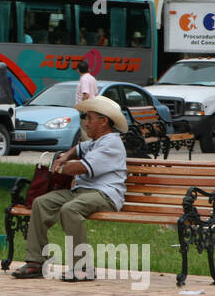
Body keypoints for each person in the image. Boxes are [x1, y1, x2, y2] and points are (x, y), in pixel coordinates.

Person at [12, 95, 129, 282]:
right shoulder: (96, 141)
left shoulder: (111, 143)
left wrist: (58, 168)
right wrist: (66, 156)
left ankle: (82, 268)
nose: (86, 123)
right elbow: (78, 149)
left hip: (105, 195)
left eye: (89, 118)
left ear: (104, 121)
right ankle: (36, 262)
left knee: (70, 209)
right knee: (41, 203)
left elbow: (83, 167)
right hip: (82, 193)